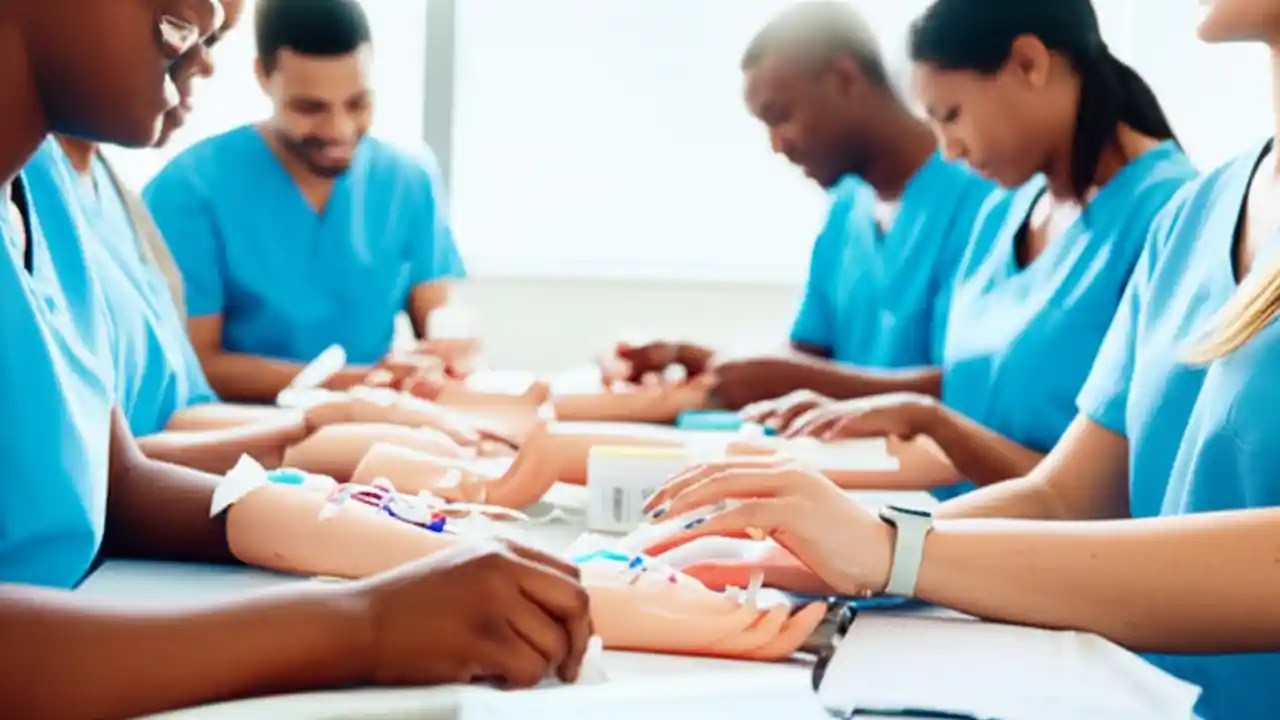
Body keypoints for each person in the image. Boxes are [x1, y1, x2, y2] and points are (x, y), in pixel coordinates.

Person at [645, 1, 1280, 717]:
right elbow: (1062, 498)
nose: (945, 148)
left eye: (950, 114)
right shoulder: (1192, 218)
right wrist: (828, 549)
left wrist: (896, 550)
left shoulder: (1150, 203)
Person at [0, 2, 588, 717]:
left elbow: (115, 479)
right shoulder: (188, 187)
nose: (213, 19)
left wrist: (388, 530)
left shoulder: (40, 191)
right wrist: (366, 625)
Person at [746, 0, 1195, 500]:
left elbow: (1110, 497)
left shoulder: (1170, 216)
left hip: (1052, 562)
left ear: (1029, 63)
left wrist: (931, 422)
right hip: (953, 541)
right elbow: (958, 452)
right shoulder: (1003, 214)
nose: (948, 151)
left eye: (952, 116)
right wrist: (783, 481)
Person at [607, 1, 998, 411]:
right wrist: (689, 356)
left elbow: (979, 386)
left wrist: (794, 381)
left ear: (845, 78)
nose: (777, 146)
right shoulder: (846, 211)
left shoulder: (984, 195)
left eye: (781, 115)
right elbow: (808, 358)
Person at [144, 0, 467, 403]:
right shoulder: (189, 189)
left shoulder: (408, 181)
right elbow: (197, 363)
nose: (339, 129)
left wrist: (451, 347)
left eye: (357, 103)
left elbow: (440, 311)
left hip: (376, 422)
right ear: (263, 75)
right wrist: (358, 383)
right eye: (310, 107)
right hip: (240, 434)